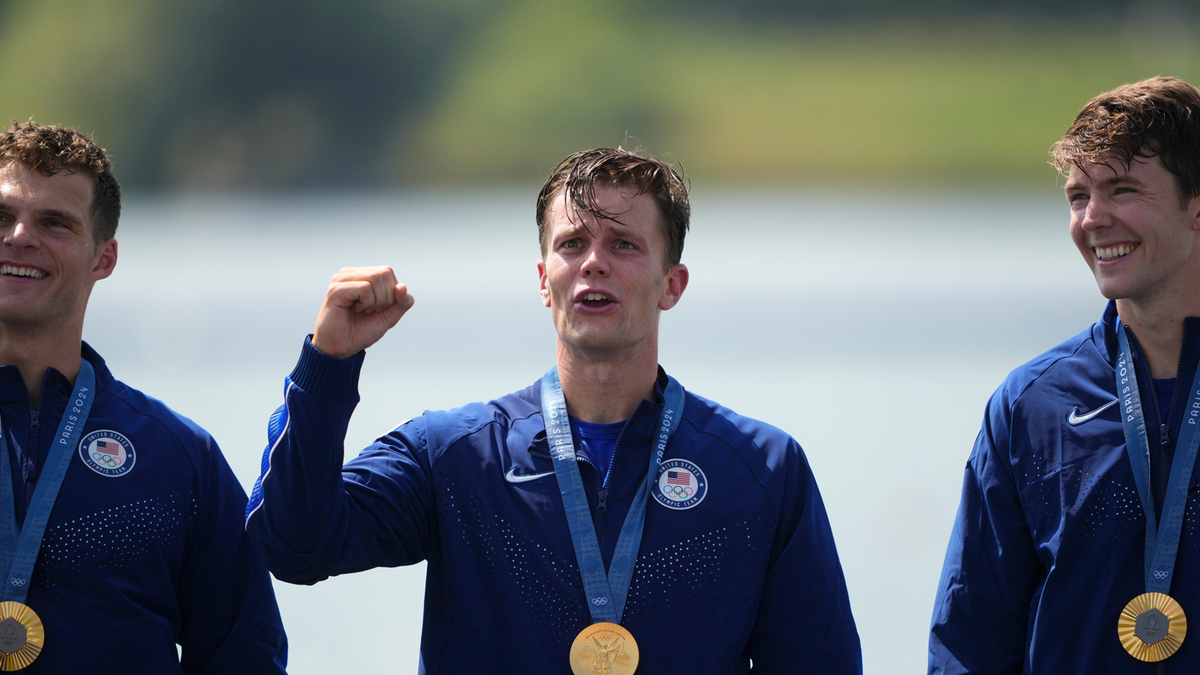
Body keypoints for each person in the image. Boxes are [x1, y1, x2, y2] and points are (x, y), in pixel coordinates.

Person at [245, 147, 861, 673]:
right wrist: (327, 365)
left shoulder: (761, 470)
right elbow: (295, 545)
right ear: (544, 279)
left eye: (623, 244)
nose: (594, 261)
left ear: (672, 285)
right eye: (573, 244)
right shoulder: (453, 458)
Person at [929, 76, 1200, 673]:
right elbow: (971, 641)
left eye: (1123, 189)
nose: (1093, 219)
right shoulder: (1033, 403)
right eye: (1078, 197)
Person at [0, 121, 287, 673]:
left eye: (54, 222)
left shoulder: (178, 457)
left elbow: (244, 656)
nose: (19, 237)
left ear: (102, 259)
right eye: (2, 216)